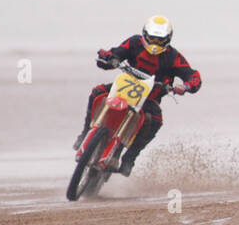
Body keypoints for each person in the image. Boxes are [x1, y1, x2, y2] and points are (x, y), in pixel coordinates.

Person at [75, 15, 202, 175]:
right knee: (97, 93)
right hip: (123, 87)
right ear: (144, 34)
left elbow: (193, 76)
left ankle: (129, 158)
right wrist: (107, 58)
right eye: (152, 39)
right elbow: (115, 54)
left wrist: (186, 86)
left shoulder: (173, 56)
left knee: (155, 121)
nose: (155, 44)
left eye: (160, 40)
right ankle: (85, 132)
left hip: (149, 98)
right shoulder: (134, 42)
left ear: (168, 39)